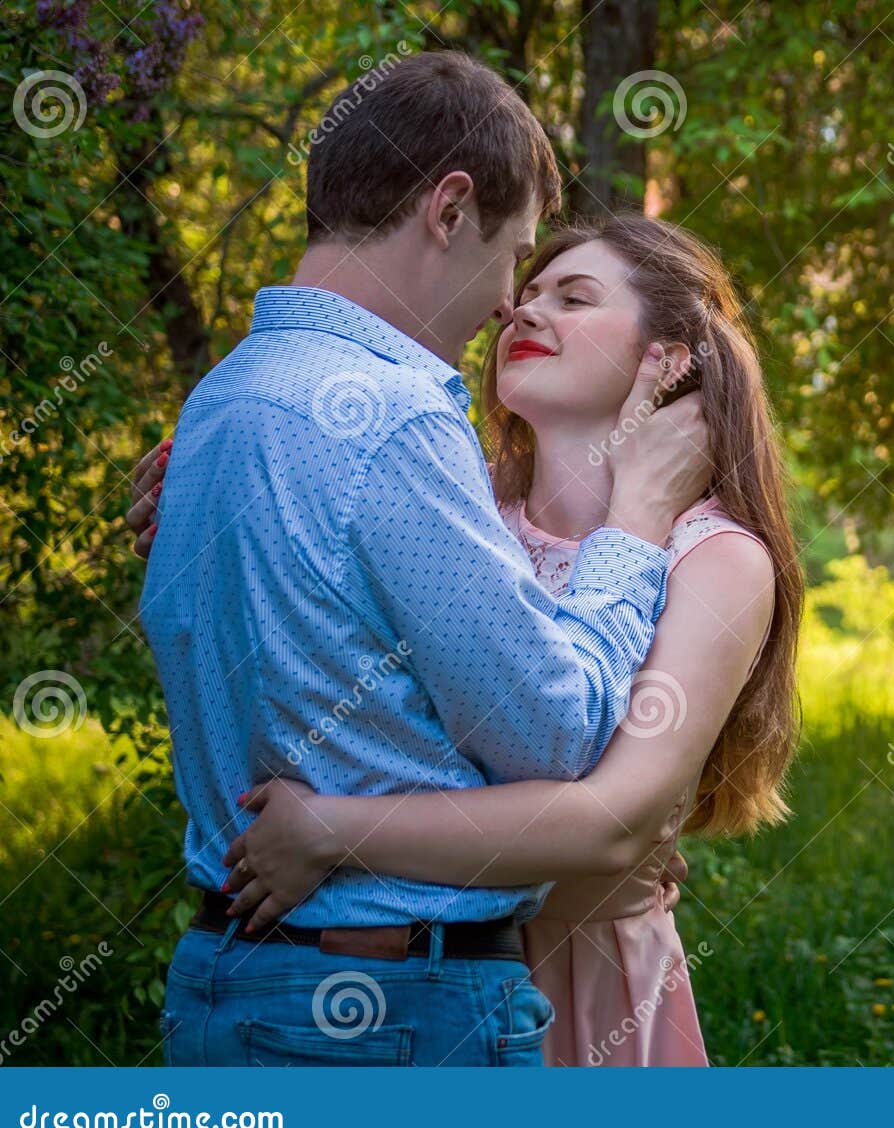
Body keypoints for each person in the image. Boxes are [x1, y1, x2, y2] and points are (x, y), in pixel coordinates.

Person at [134, 50, 713, 1067]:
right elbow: (557, 730)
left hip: (226, 982)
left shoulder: (222, 400)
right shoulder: (396, 418)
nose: (506, 306)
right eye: (514, 257)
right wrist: (637, 525)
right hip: (387, 1012)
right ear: (449, 210)